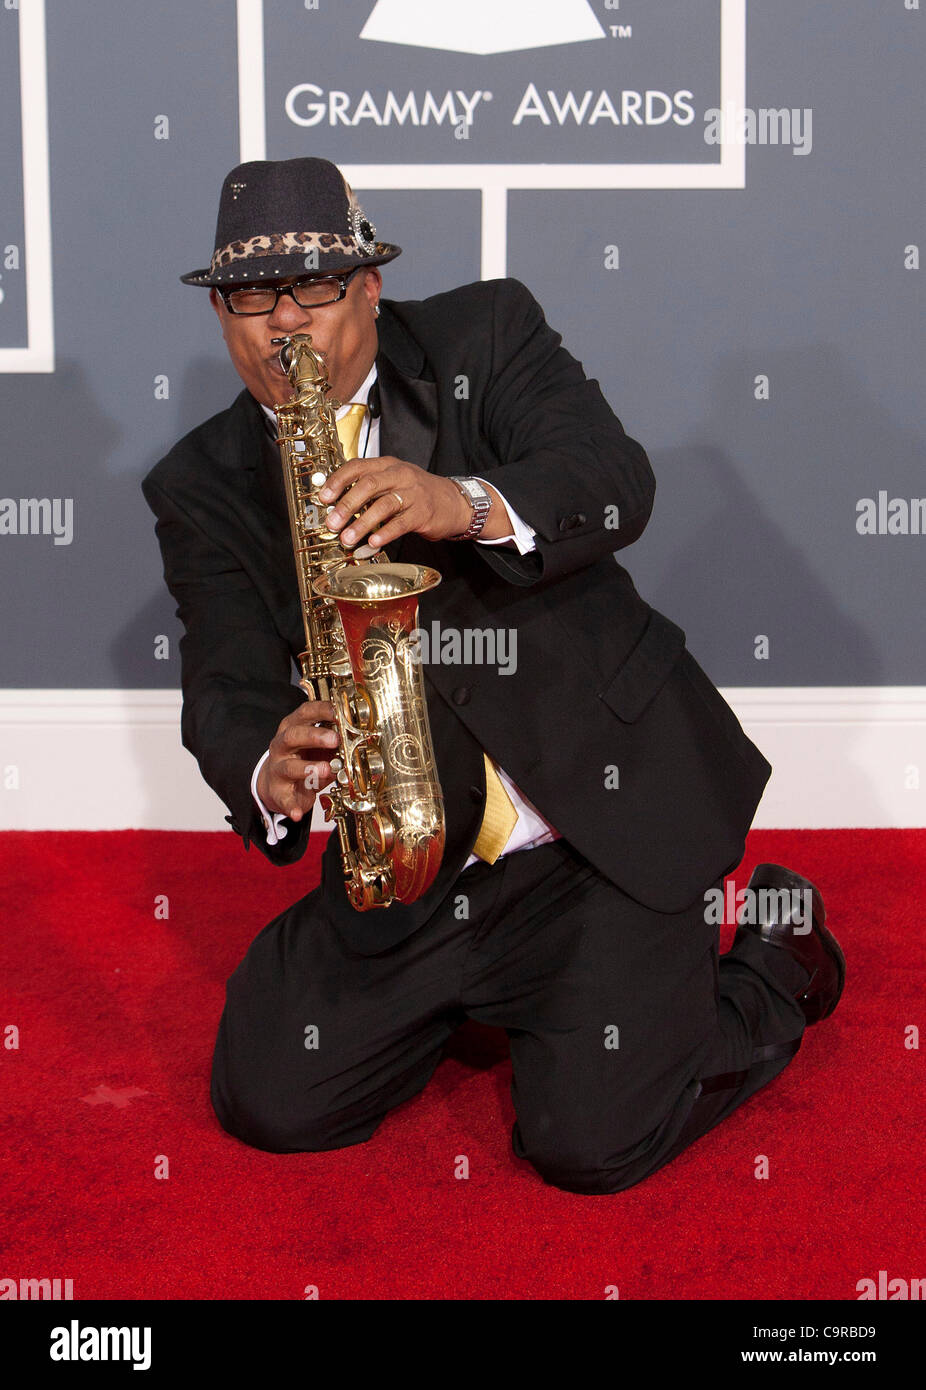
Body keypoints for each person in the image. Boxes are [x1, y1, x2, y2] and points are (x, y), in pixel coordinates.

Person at [142, 158, 845, 1194]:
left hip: (598, 828)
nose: (281, 324)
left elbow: (613, 481)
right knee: (269, 1096)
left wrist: (458, 502)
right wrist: (264, 762)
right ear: (222, 316)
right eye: (250, 296)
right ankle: (499, 999)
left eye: (315, 287)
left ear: (369, 287)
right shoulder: (199, 482)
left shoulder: (485, 334)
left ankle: (777, 950)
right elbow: (225, 678)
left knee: (589, 1145)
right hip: (426, 862)